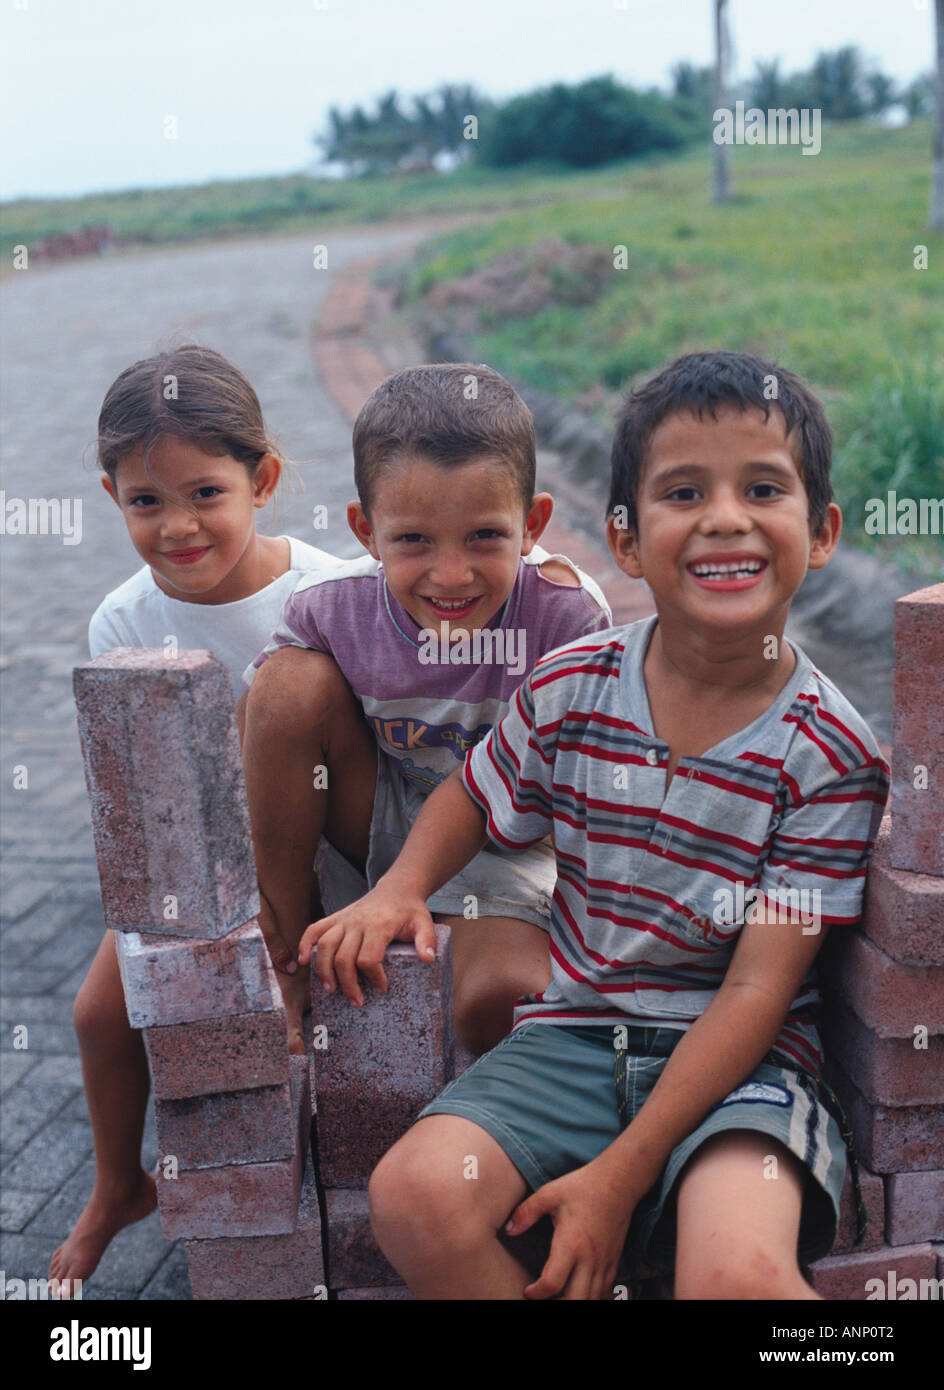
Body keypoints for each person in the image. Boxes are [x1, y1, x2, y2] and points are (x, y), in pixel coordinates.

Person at [299, 350, 890, 1301]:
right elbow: (476, 797)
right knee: (412, 1197)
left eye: (763, 488)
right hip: (573, 1039)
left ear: (820, 531)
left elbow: (754, 993)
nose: (725, 517)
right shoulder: (573, 686)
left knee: (735, 1275)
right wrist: (400, 886)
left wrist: (619, 1178)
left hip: (746, 1073)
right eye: (684, 490)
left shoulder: (830, 753)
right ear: (623, 537)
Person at [50, 344, 337, 1288]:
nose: (177, 526)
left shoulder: (325, 594)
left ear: (264, 480)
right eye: (145, 502)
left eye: (206, 493)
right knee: (100, 1010)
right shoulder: (123, 623)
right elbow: (135, 804)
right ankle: (116, 1186)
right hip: (194, 876)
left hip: (319, 853)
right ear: (112, 496)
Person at [239, 362, 612, 1059]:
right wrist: (258, 884)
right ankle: (287, 956)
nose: (451, 574)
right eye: (413, 540)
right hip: (377, 820)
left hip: (507, 847)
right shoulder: (331, 608)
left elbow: (585, 797)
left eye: (483, 538)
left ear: (532, 525)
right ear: (365, 530)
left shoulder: (568, 616)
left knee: (502, 1003)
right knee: (285, 686)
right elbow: (263, 727)